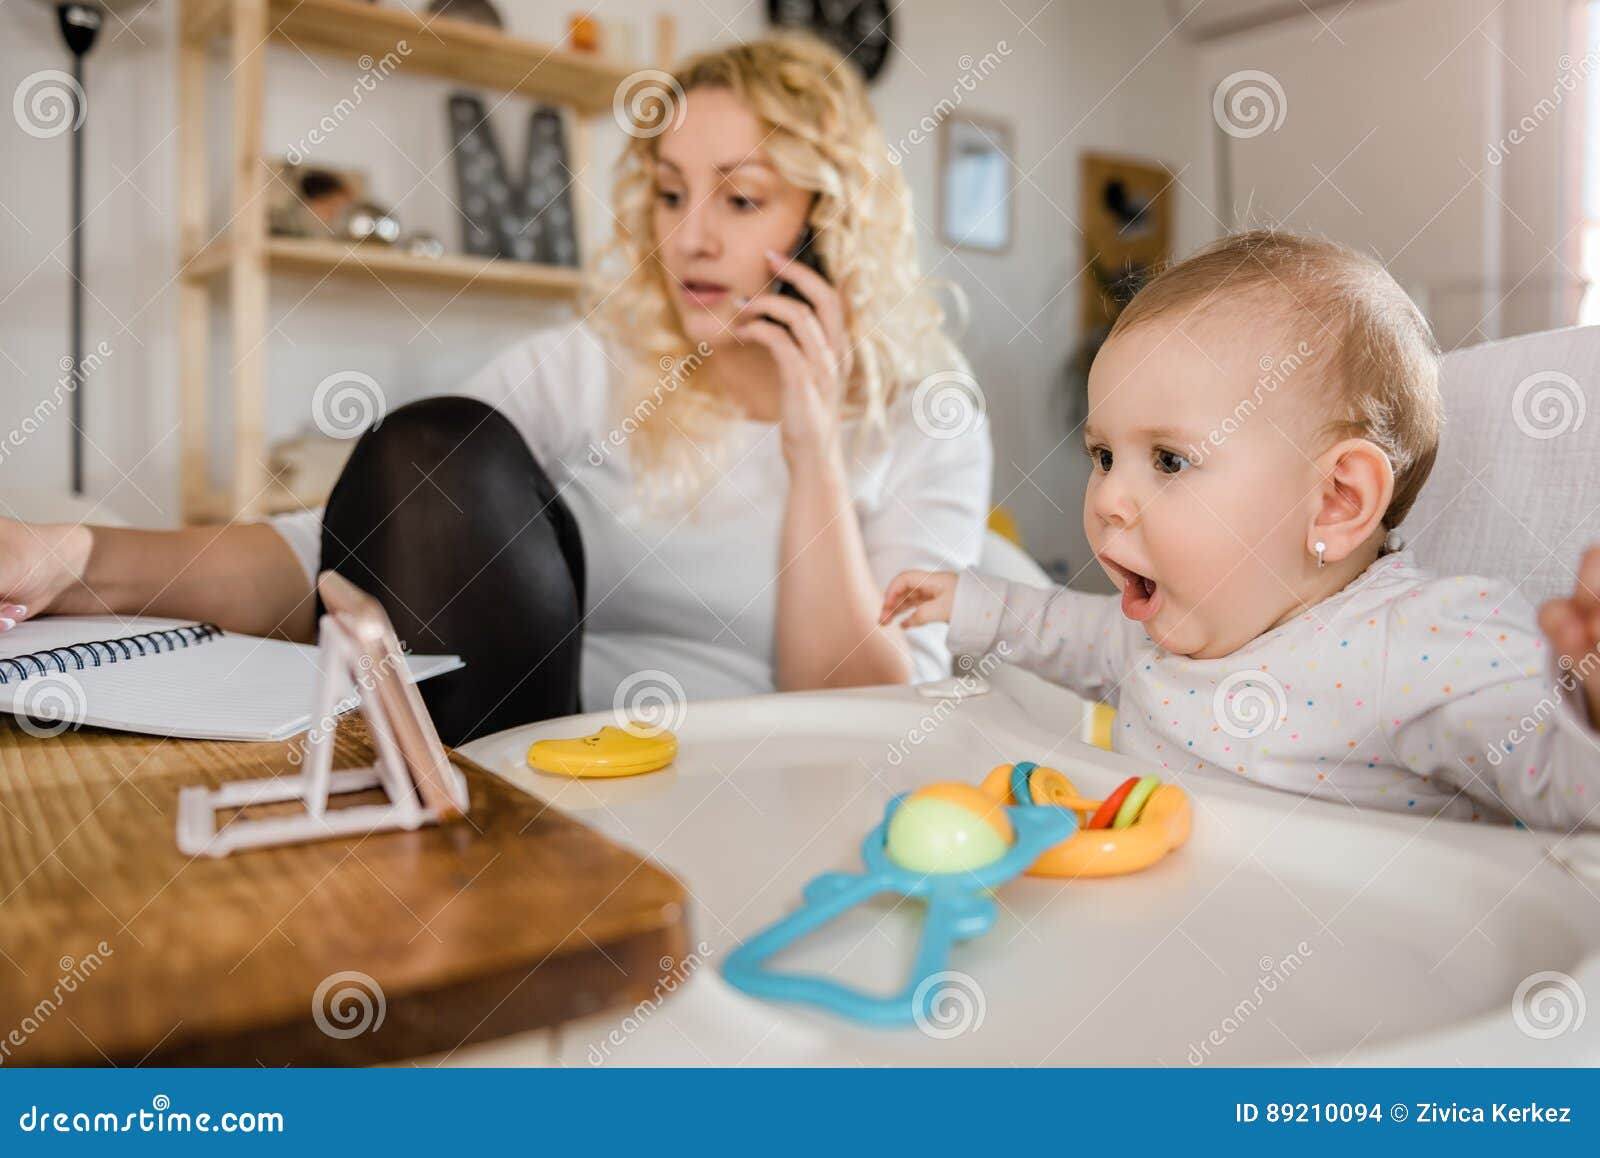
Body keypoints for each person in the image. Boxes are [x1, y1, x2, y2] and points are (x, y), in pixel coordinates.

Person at [0, 35, 991, 745]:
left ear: (833, 218)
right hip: (524, 745)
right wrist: (79, 558)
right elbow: (354, 536)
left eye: (740, 198)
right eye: (670, 191)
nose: (690, 237)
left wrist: (811, 452)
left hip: (750, 770)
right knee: (430, 447)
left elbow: (864, 707)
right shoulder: (598, 361)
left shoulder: (923, 412)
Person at [883, 230, 1600, 831]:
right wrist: (970, 602)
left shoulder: (1423, 643)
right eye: (1104, 456)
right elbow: (1072, 630)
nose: (1107, 498)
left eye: (1168, 459)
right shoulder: (1161, 629)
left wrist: (1588, 702)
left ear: (1337, 501)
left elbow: (1565, 793)